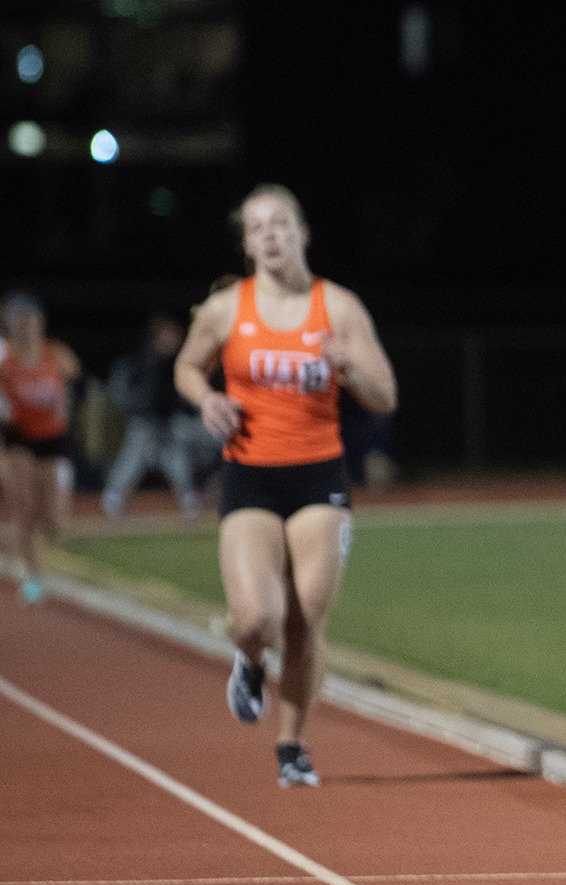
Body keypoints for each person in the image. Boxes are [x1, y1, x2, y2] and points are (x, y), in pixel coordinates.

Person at [174, 184, 398, 788]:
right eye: (257, 228)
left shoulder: (339, 308)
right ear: (247, 245)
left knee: (305, 622)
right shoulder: (226, 309)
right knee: (255, 618)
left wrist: (349, 369)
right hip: (250, 473)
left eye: (280, 223)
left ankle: (292, 745)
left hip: (319, 475)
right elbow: (187, 366)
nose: (270, 235)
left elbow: (385, 396)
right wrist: (207, 399)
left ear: (302, 233)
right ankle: (248, 660)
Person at [0, 291, 83, 605]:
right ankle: (33, 576)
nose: (24, 328)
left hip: (53, 440)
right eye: (18, 322)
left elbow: (77, 380)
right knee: (24, 510)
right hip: (17, 440)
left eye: (29, 321)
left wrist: (66, 399)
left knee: (54, 524)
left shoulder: (56, 354)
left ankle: (13, 546)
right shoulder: (5, 360)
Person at [102, 311, 206, 519]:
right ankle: (113, 497)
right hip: (145, 421)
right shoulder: (145, 359)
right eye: (169, 334)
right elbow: (139, 394)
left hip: (166, 420)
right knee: (133, 457)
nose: (174, 339)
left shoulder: (173, 360)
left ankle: (187, 497)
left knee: (175, 458)